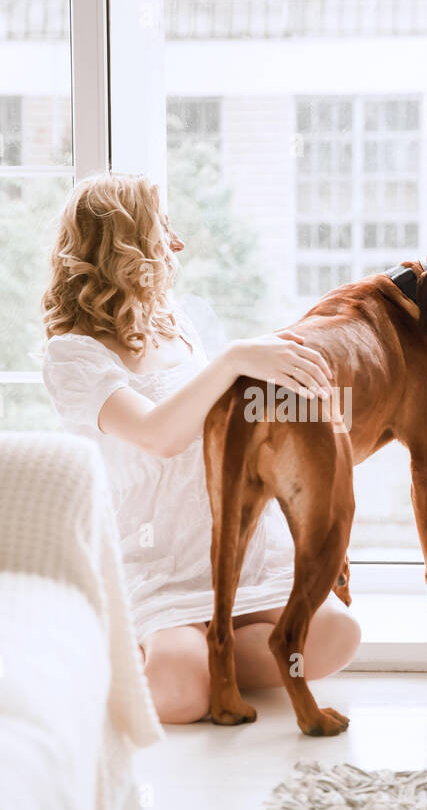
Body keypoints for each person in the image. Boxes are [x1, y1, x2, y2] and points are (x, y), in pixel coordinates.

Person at [39, 171, 361, 724]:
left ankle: (212, 660)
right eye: (163, 229)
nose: (177, 243)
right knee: (180, 694)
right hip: (160, 563)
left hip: (237, 551)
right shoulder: (72, 355)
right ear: (125, 246)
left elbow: (219, 424)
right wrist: (236, 357)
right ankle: (177, 661)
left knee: (338, 634)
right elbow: (160, 434)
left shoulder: (175, 325)